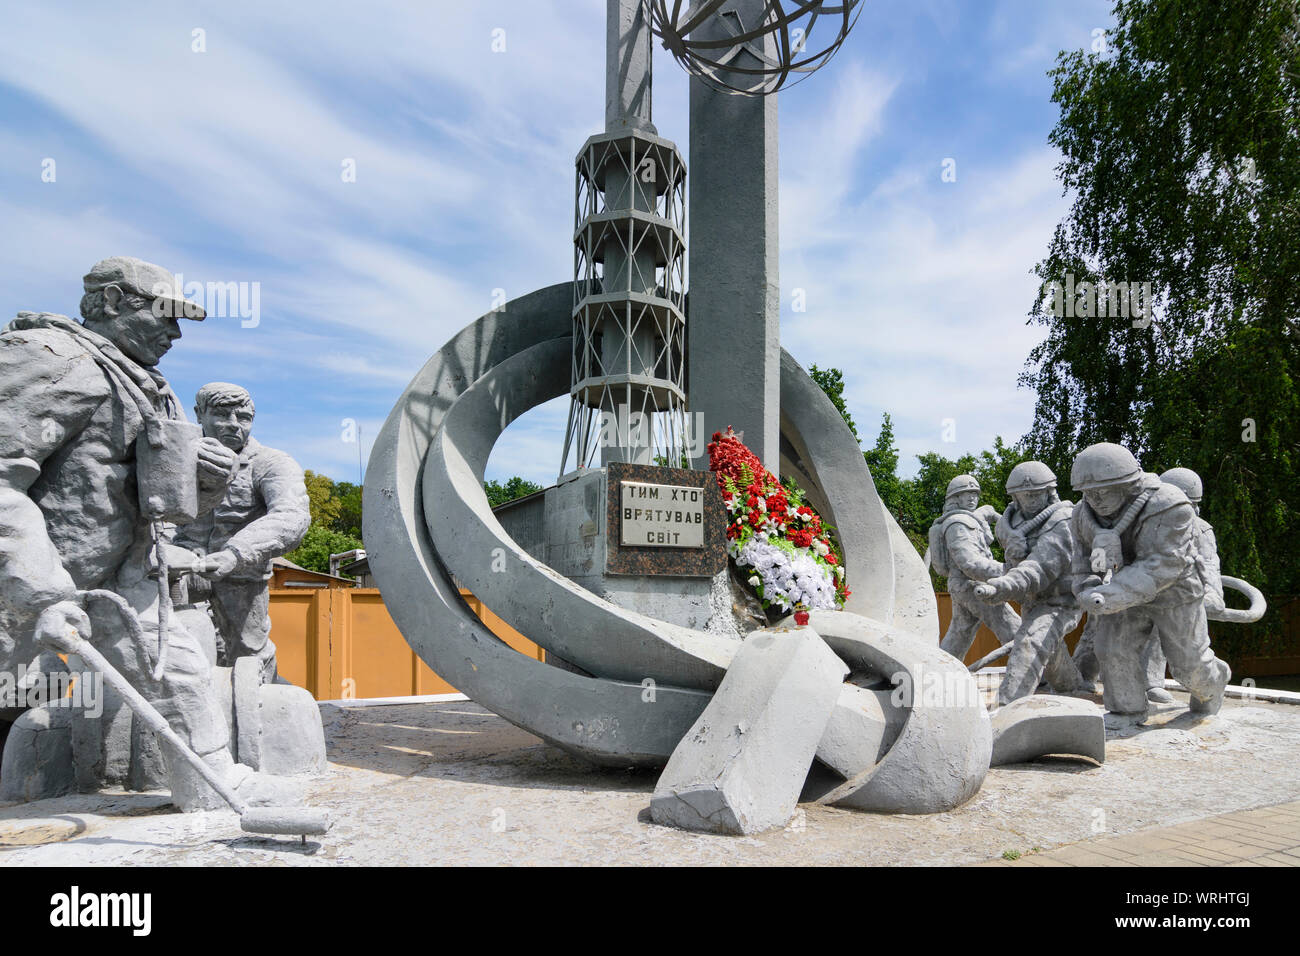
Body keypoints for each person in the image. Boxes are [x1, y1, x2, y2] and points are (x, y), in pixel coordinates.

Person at [0, 256, 283, 809]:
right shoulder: (51, 359)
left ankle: (213, 785)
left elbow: (140, 496)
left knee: (180, 670)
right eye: (164, 315)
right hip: (33, 587)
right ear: (111, 303)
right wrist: (41, 594)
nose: (176, 333)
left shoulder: (141, 382)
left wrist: (197, 476)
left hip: (122, 576)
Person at [1069, 443, 1230, 718]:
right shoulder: (1082, 516)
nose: (1096, 499)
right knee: (1111, 650)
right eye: (1089, 492)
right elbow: (1082, 565)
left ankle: (1215, 680)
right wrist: (1086, 589)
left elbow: (1164, 564)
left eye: (1105, 490)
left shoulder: (1169, 504)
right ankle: (1126, 713)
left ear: (1128, 484)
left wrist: (1111, 594)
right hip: (1122, 592)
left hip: (1175, 591)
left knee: (1188, 667)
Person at [174, 383, 311, 683]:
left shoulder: (271, 463)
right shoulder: (177, 456)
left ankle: (256, 716)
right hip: (182, 576)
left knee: (250, 659)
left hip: (241, 580)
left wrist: (235, 553)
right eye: (222, 415)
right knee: (178, 655)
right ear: (199, 414)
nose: (234, 425)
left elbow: (292, 515)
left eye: (244, 417)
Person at [973, 461, 1084, 704]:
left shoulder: (1063, 520)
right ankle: (1071, 686)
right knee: (1048, 646)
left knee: (1030, 642)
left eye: (1037, 494)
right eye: (1025, 495)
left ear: (1049, 492)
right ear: (1015, 497)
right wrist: (1011, 559)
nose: (1031, 500)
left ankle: (1008, 706)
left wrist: (1003, 586)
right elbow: (1015, 566)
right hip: (1031, 599)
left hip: (1062, 600)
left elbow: (1040, 568)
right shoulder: (1008, 525)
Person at [1137, 467, 1226, 703]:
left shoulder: (1201, 529)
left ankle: (1206, 682)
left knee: (1181, 645)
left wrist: (1213, 595)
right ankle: (1089, 676)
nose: (1192, 510)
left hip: (1181, 595)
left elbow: (1207, 564)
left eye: (1195, 505)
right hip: (1143, 590)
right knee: (1106, 632)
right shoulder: (1147, 522)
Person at [930, 474, 1021, 661]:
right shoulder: (957, 524)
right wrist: (1008, 570)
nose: (972, 498)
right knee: (1011, 625)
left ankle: (942, 669)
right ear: (955, 498)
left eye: (974, 493)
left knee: (959, 634)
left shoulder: (970, 519)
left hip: (966, 585)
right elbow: (969, 562)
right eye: (966, 494)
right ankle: (1039, 675)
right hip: (971, 585)